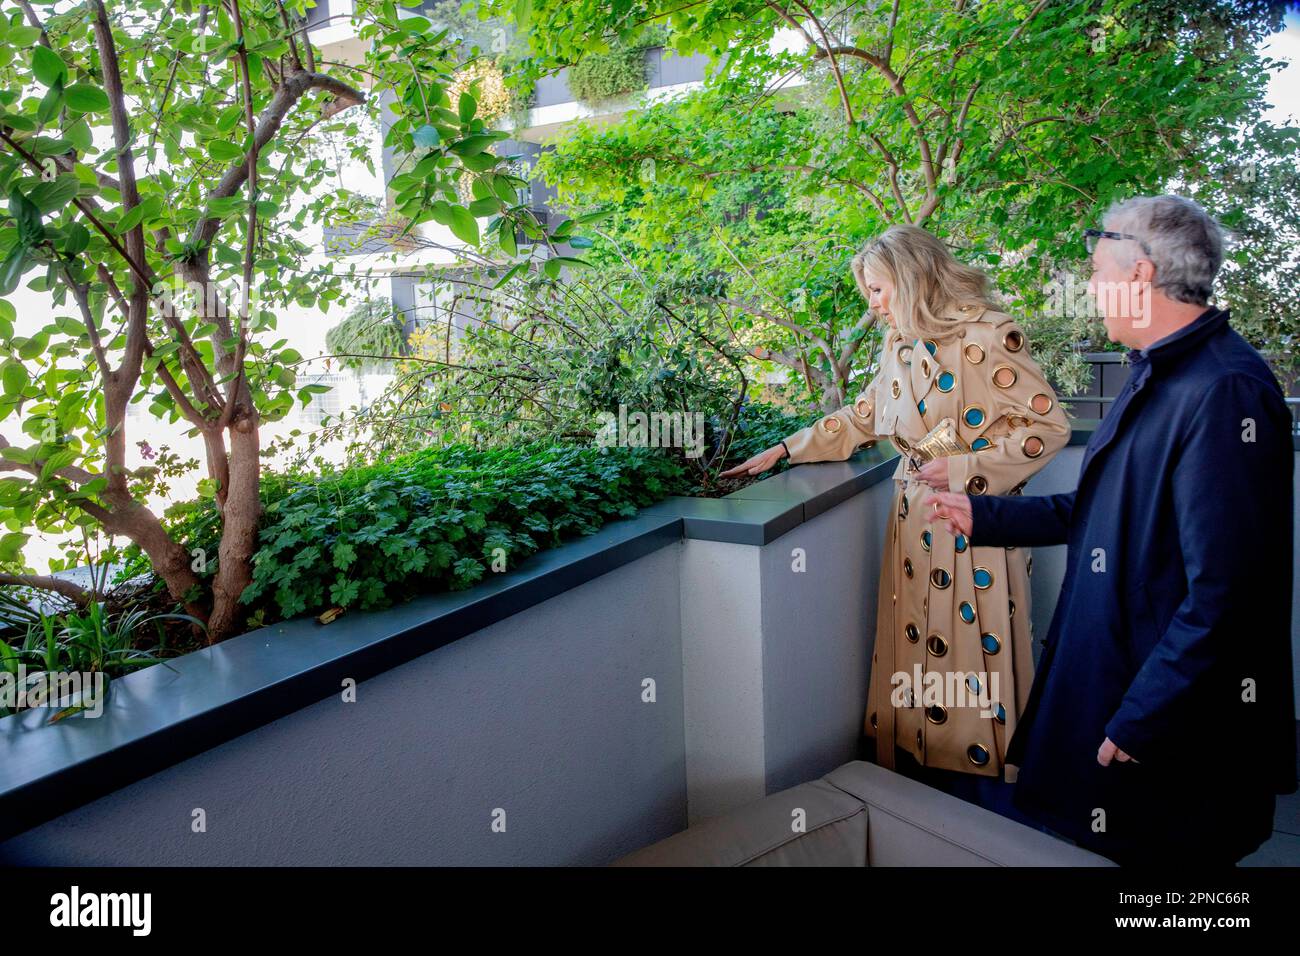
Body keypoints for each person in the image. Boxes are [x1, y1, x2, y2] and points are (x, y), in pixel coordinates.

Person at [925, 195, 1298, 865]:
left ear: (1140, 276)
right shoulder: (1157, 373)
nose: (1088, 289)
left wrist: (1143, 715)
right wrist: (985, 515)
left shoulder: (1226, 393)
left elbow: (1229, 594)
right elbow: (1103, 512)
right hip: (1124, 689)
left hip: (1168, 722)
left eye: (1096, 272)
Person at [722, 225, 1070, 825]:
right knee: (918, 648)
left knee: (971, 652)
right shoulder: (899, 343)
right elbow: (865, 417)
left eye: (878, 289)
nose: (873, 304)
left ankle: (984, 807)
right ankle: (919, 794)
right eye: (868, 292)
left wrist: (964, 469)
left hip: (972, 521)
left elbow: (1047, 429)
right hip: (911, 520)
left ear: (910, 279)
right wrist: (787, 449)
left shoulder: (989, 333)